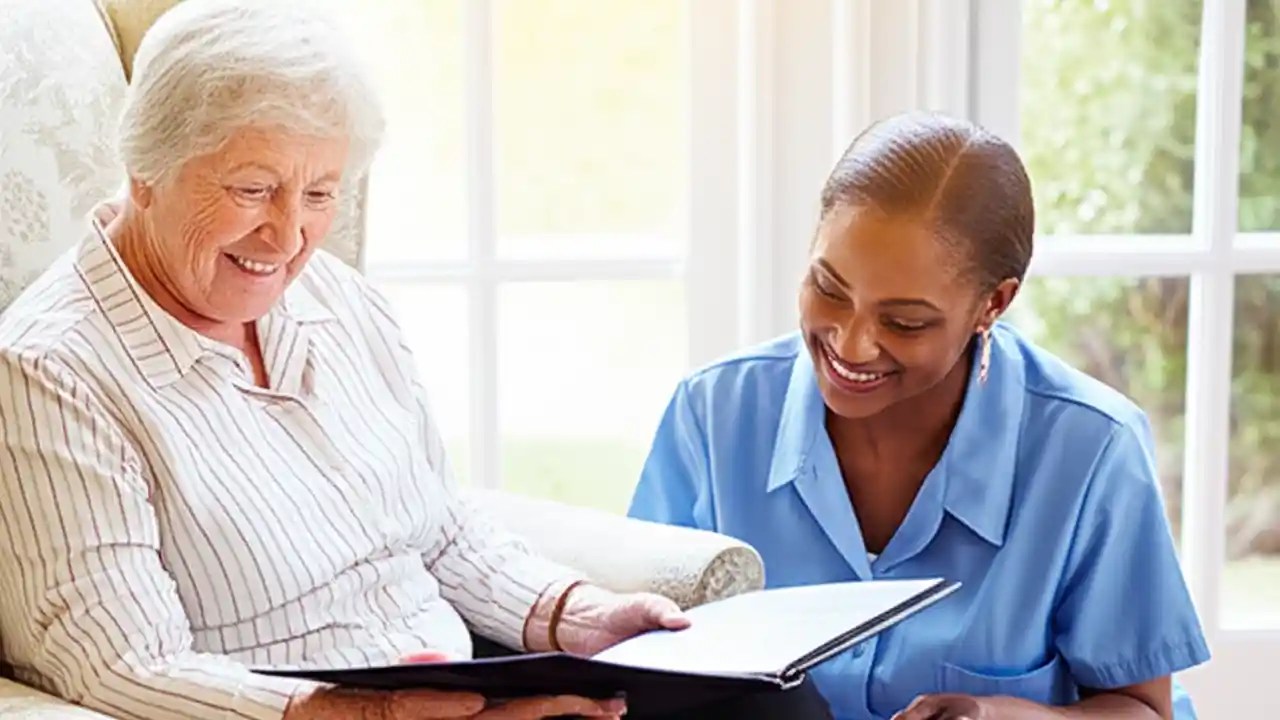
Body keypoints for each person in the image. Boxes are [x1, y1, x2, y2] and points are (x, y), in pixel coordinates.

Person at [0, 2, 831, 719]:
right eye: (253, 190)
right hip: (311, 710)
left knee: (773, 701)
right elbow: (119, 663)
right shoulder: (53, 372)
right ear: (148, 171)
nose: (288, 238)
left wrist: (573, 617)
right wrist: (375, 713)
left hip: (450, 676)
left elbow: (438, 531)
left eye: (320, 194)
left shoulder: (337, 301)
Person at [629, 111, 1211, 720]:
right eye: (829, 288)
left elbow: (1145, 708)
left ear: (994, 303)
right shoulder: (713, 416)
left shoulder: (1090, 449)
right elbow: (633, 664)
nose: (852, 345)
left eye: (904, 322)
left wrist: (1001, 716)